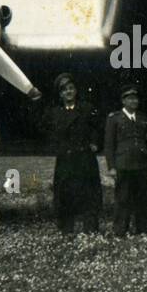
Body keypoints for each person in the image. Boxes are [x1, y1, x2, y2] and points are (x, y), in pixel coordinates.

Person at [44, 72, 103, 234]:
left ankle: (91, 229)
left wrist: (94, 143)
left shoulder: (87, 108)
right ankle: (66, 230)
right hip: (66, 159)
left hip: (85, 158)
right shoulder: (55, 113)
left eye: (71, 88)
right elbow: (47, 131)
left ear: (75, 91)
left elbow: (97, 128)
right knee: (65, 194)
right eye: (64, 90)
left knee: (89, 194)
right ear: (60, 94)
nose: (68, 92)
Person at [103, 84, 147, 236]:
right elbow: (109, 144)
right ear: (123, 101)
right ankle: (120, 230)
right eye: (130, 98)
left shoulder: (143, 118)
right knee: (122, 199)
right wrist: (111, 167)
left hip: (141, 164)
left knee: (143, 199)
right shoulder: (114, 118)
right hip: (123, 164)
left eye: (136, 98)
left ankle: (143, 230)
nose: (134, 101)